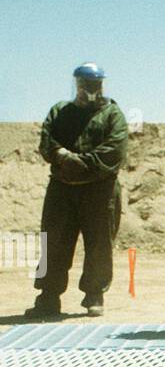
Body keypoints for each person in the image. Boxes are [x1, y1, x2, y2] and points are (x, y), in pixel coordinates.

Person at [26, 64, 129, 320]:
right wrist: (62, 155)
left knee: (99, 245)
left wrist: (82, 163)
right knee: (54, 244)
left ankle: (94, 295)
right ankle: (48, 297)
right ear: (76, 84)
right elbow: (47, 141)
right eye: (83, 84)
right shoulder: (60, 111)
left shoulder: (112, 114)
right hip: (62, 190)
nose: (88, 89)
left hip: (100, 192)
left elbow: (114, 150)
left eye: (94, 84)